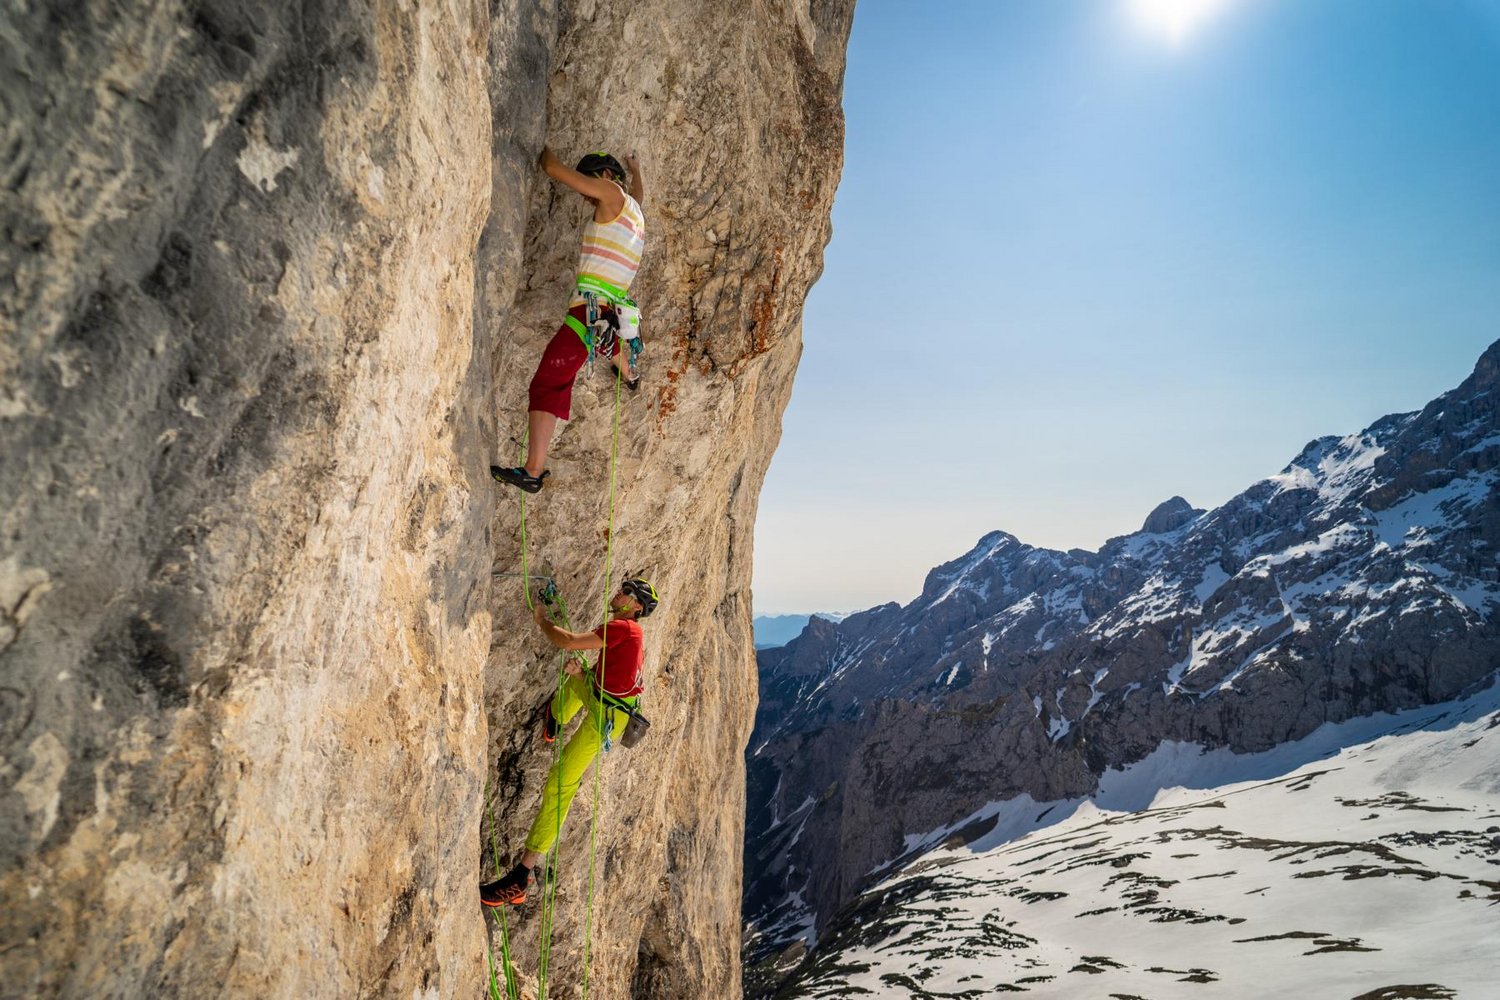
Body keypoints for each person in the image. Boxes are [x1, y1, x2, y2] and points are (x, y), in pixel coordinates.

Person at [481, 577, 661, 907]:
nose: (618, 593)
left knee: (559, 785)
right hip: (606, 699)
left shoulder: (625, 629)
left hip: (604, 717)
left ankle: (521, 878)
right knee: (581, 673)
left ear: (636, 607)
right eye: (622, 587)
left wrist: (541, 620)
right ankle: (556, 716)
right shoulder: (627, 631)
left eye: (626, 593)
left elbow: (566, 641)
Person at [491, 147, 646, 495]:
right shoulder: (634, 210)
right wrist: (636, 169)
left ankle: (533, 471)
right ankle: (630, 373)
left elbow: (553, 169)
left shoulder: (610, 193)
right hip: (610, 311)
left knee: (548, 383)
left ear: (605, 176)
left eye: (588, 185)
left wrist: (542, 148)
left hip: (588, 311)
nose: (586, 196)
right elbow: (639, 194)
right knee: (604, 339)